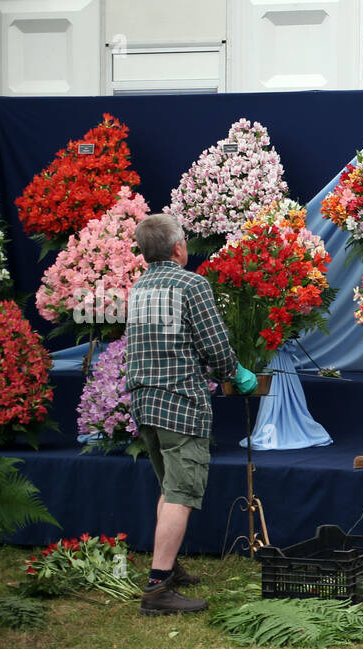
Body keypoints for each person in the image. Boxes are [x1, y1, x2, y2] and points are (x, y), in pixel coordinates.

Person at [126, 214, 257, 616]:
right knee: (181, 493)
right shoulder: (191, 284)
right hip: (181, 404)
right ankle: (157, 588)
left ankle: (169, 566)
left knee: (169, 488)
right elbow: (215, 345)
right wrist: (235, 373)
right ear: (178, 247)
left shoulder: (138, 288)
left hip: (145, 403)